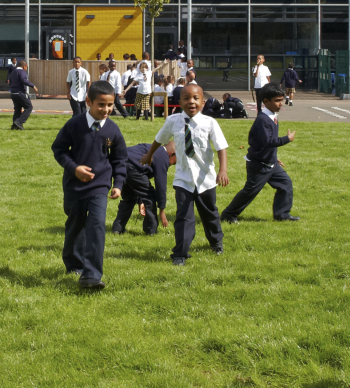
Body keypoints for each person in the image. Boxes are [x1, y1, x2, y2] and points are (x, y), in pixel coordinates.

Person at [50, 82, 128, 290]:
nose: (106, 110)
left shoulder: (113, 129)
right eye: (101, 105)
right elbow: (59, 149)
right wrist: (74, 168)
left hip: (100, 186)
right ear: (88, 102)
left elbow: (119, 159)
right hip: (74, 186)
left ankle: (91, 275)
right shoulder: (74, 125)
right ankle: (74, 263)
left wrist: (118, 184)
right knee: (75, 225)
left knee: (96, 225)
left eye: (110, 105)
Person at [150, 84, 229, 265]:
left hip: (205, 179)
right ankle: (180, 254)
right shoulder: (173, 121)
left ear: (202, 102)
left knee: (210, 214)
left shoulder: (210, 123)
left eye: (195, 98)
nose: (191, 102)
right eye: (186, 98)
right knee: (184, 217)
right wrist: (148, 155)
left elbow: (221, 147)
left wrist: (223, 170)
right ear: (180, 102)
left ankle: (216, 241)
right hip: (183, 180)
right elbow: (159, 139)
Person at [221, 84, 297, 223]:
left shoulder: (272, 116)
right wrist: (287, 139)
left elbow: (265, 143)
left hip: (270, 162)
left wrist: (274, 157)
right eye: (277, 100)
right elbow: (268, 141)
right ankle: (228, 214)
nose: (281, 103)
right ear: (266, 101)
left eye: (282, 100)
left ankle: (282, 214)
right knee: (250, 191)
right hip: (259, 165)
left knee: (285, 184)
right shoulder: (263, 119)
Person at [113, 139, 171, 236]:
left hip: (121, 163)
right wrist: (162, 209)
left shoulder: (151, 148)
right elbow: (160, 184)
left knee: (129, 198)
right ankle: (151, 230)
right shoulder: (163, 156)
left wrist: (140, 201)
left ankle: (117, 229)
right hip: (132, 167)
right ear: (172, 154)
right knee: (150, 197)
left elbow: (138, 181)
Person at [8, 59, 35, 130]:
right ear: (24, 66)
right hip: (20, 93)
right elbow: (24, 80)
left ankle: (14, 125)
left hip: (13, 93)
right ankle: (19, 122)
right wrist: (33, 86)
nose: (26, 69)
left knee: (17, 109)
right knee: (29, 107)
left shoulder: (13, 72)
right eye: (26, 67)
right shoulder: (22, 72)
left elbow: (10, 81)